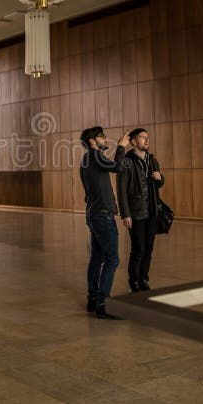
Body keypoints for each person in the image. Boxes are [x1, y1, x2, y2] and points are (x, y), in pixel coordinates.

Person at [79, 126, 132, 319]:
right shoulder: (94, 155)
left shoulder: (87, 159)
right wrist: (121, 147)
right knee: (112, 259)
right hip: (102, 215)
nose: (105, 138)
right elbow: (117, 167)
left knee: (97, 258)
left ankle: (93, 299)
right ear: (92, 141)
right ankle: (103, 304)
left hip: (94, 214)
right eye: (102, 136)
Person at [116, 128, 164, 293]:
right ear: (134, 142)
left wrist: (160, 179)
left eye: (148, 137)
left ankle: (144, 278)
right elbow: (121, 189)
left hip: (151, 211)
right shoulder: (127, 161)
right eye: (143, 137)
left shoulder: (152, 160)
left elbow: (159, 183)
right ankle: (134, 281)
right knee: (138, 248)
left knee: (149, 248)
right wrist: (125, 213)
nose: (147, 140)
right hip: (136, 212)